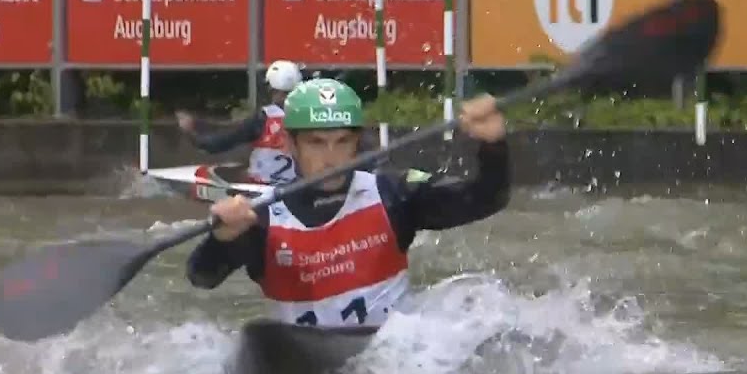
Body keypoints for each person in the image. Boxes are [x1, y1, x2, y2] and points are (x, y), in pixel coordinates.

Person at [184, 77, 510, 330]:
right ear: (290, 145)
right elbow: (201, 277)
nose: (331, 158)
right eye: (316, 143)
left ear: (357, 142)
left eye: (342, 142)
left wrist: (493, 146)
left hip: (397, 359)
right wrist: (221, 239)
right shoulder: (263, 216)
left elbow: (487, 198)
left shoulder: (392, 193)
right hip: (307, 361)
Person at [175, 60, 304, 185]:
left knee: (207, 173)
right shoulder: (306, 116)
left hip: (262, 188)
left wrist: (190, 132)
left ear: (271, 88)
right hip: (296, 186)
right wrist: (198, 123)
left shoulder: (262, 118)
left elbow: (217, 144)